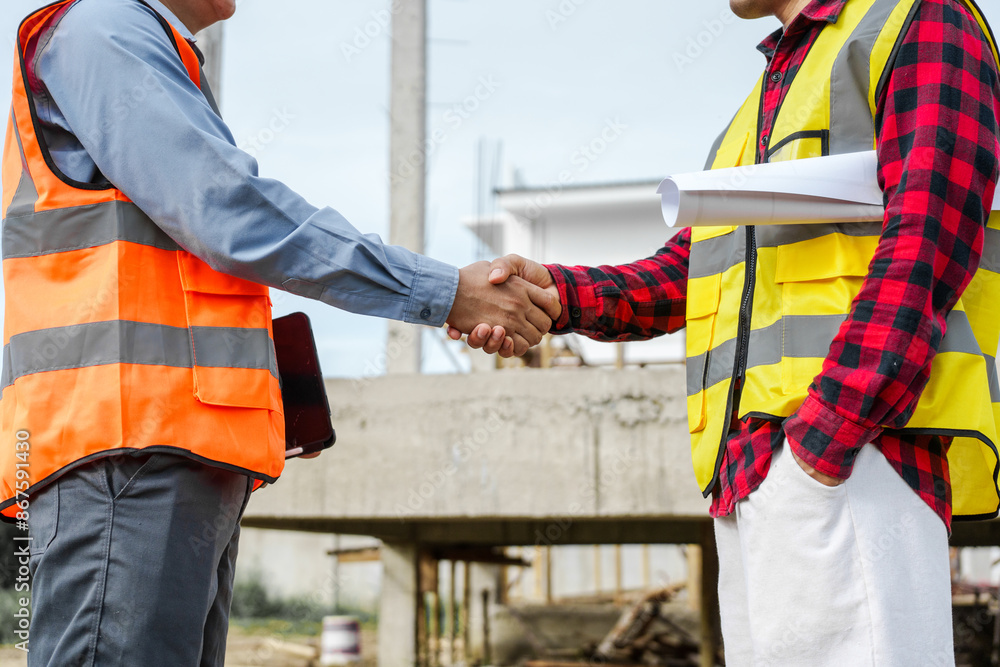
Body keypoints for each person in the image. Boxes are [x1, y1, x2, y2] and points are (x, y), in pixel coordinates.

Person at [0, 0, 558, 665]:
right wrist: (444, 292)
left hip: (164, 455)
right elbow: (228, 212)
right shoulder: (104, 29)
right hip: (124, 453)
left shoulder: (140, 46)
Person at [457, 0, 1000, 664]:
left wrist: (822, 442)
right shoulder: (760, 104)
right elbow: (696, 267)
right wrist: (558, 294)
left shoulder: (920, 17)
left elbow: (930, 242)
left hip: (853, 459)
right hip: (752, 478)